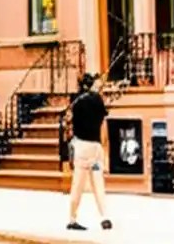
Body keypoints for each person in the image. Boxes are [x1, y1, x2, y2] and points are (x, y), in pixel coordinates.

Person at [67, 73, 111, 231]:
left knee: (77, 185)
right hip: (95, 149)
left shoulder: (76, 102)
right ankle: (104, 217)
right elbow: (103, 124)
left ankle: (72, 219)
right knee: (98, 183)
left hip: (81, 149)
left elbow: (70, 123)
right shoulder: (98, 101)